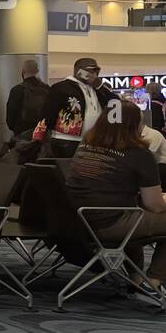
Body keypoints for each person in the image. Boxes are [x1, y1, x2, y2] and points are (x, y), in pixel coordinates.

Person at [66, 102, 166, 291]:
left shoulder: (85, 146)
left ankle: (135, 278)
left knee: (134, 212)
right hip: (112, 223)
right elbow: (155, 206)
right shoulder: (138, 154)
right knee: (137, 215)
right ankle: (153, 281)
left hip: (79, 222)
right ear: (135, 125)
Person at [38, 57, 115, 159]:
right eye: (91, 70)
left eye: (97, 71)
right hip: (66, 141)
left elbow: (116, 103)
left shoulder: (97, 89)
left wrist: (100, 86)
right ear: (79, 71)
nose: (95, 74)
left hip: (94, 141)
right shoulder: (61, 88)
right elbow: (48, 114)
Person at [5, 59, 49, 138]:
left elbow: (11, 116)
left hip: (22, 133)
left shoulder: (17, 89)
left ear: (23, 71)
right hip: (42, 133)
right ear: (37, 71)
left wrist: (15, 128)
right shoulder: (47, 89)